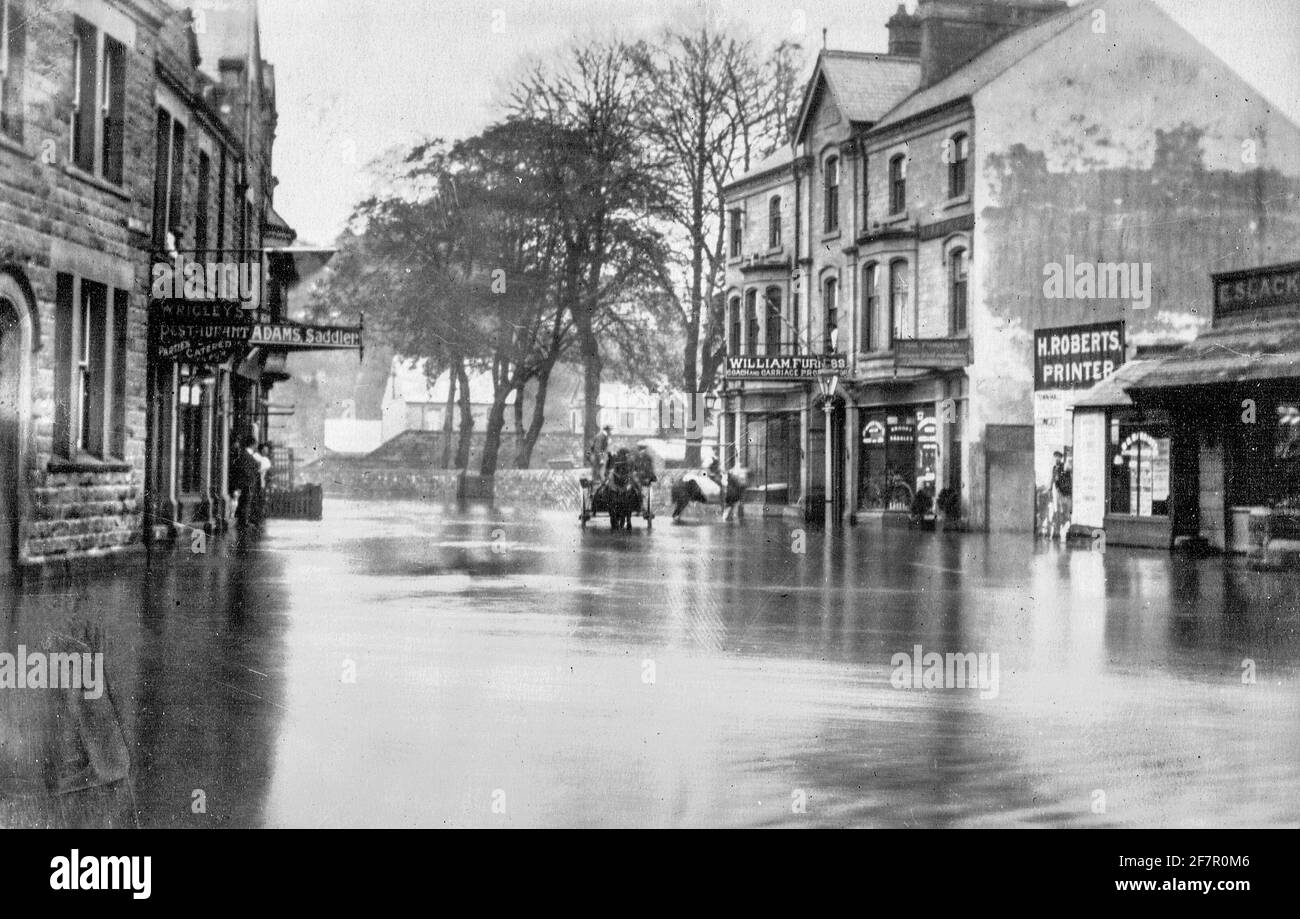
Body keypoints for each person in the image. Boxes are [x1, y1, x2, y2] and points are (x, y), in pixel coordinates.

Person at [230, 435, 262, 529]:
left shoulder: (245, 454)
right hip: (246, 482)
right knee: (246, 502)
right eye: (256, 444)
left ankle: (244, 521)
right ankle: (243, 522)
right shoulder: (245, 454)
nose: (256, 446)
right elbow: (246, 469)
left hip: (247, 482)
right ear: (253, 444)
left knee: (246, 502)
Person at [1049, 450, 1073, 541]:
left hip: (1065, 493)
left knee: (1066, 513)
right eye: (1055, 457)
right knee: (1058, 512)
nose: (1056, 459)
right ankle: (1057, 532)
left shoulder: (1064, 466)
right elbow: (1053, 479)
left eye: (1058, 457)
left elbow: (1069, 469)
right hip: (1058, 492)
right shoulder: (1054, 468)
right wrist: (1050, 489)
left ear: (1061, 458)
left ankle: (1067, 532)